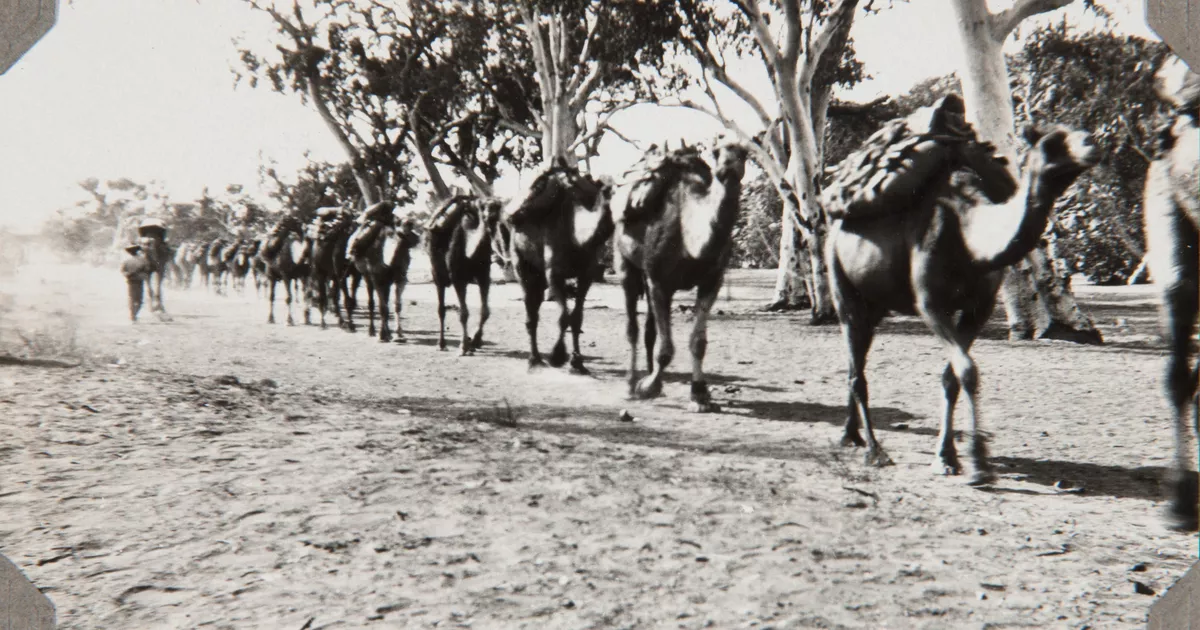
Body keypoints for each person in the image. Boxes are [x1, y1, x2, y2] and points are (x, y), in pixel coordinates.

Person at [120, 245, 151, 322]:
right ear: (137, 252)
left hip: (130, 282)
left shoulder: (126, 261)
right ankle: (134, 314)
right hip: (139, 282)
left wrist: (128, 275)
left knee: (132, 298)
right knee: (139, 300)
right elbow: (147, 271)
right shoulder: (143, 261)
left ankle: (132, 315)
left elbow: (123, 271)